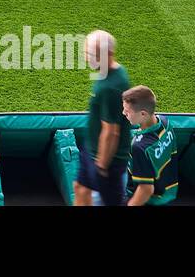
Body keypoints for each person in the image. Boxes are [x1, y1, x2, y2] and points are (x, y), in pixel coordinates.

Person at [74, 30, 132, 206]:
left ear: (108, 54)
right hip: (91, 151)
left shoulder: (111, 87)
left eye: (92, 54)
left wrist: (102, 166)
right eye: (87, 53)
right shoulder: (109, 71)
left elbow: (112, 132)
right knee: (80, 188)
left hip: (106, 161)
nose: (87, 58)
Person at [123, 85, 178, 206]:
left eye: (127, 111)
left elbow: (146, 190)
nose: (123, 113)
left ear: (143, 114)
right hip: (169, 191)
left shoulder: (139, 147)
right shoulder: (165, 122)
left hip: (149, 200)